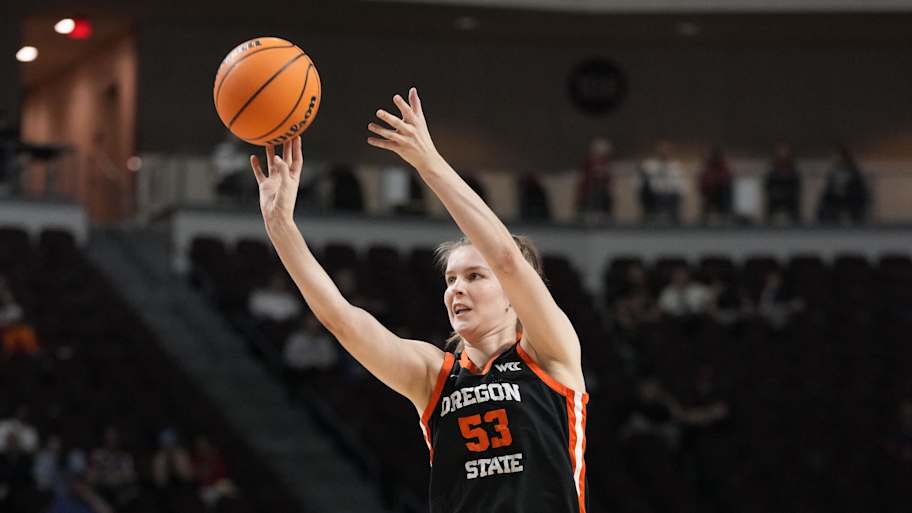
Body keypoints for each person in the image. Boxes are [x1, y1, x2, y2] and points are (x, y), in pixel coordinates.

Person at [248, 87, 589, 513]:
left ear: (513, 297)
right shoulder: (434, 376)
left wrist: (428, 163)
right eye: (450, 279)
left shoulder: (551, 354)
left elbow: (505, 257)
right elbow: (342, 320)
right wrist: (282, 228)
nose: (456, 289)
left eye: (474, 276)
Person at [637, 141, 687, 224]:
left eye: (667, 151)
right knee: (645, 193)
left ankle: (675, 222)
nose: (664, 153)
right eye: (662, 151)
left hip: (671, 194)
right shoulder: (649, 165)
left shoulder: (676, 166)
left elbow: (681, 185)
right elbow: (642, 181)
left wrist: (670, 190)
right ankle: (648, 219)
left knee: (676, 196)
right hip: (653, 195)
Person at [817, 145, 869, 224]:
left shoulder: (854, 172)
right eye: (836, 158)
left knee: (856, 203)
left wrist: (845, 190)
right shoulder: (833, 173)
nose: (837, 160)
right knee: (824, 203)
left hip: (851, 197)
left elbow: (859, 189)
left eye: (839, 158)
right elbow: (828, 189)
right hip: (836, 198)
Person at [576, 138, 614, 225]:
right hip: (589, 200)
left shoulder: (605, 166)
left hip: (601, 201)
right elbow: (585, 184)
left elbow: (607, 183)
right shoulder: (589, 165)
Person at [765, 144, 802, 224]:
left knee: (794, 204)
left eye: (785, 156)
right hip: (775, 201)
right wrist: (778, 194)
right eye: (780, 156)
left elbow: (797, 188)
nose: (783, 159)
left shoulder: (794, 173)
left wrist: (786, 194)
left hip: (790, 202)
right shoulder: (772, 173)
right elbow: (768, 187)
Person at [698, 145, 734, 224]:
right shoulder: (707, 167)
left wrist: (718, 183)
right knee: (708, 198)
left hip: (721, 192)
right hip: (710, 192)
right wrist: (709, 186)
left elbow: (727, 179)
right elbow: (703, 180)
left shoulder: (723, 166)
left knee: (725, 195)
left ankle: (725, 217)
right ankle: (704, 219)